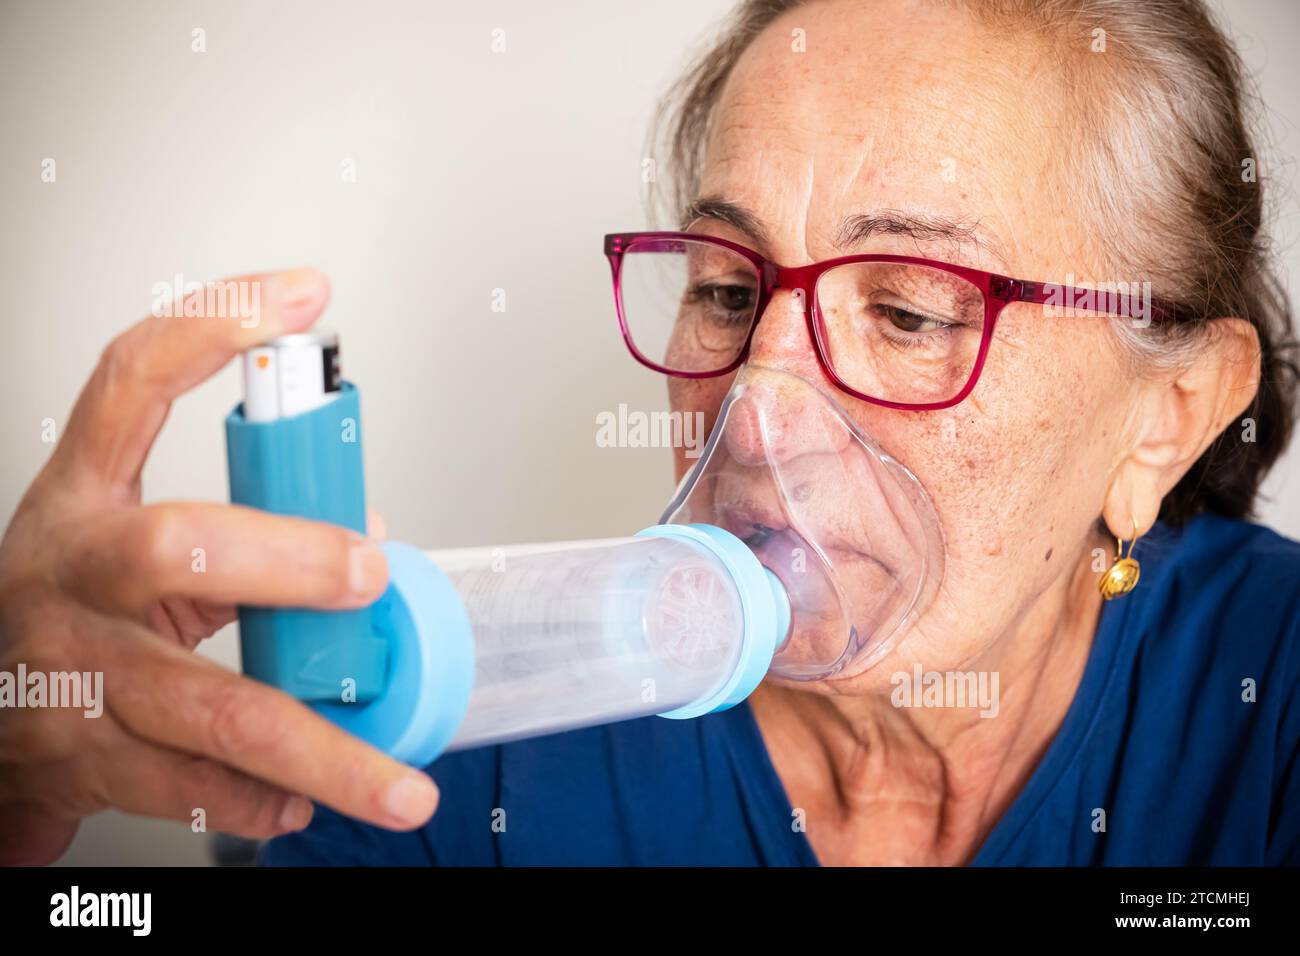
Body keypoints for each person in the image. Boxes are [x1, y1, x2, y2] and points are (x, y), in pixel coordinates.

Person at [3, 0, 1298, 866]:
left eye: (910, 309)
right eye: (729, 291)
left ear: (1166, 416)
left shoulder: (1274, 699)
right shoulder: (439, 765)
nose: (763, 400)